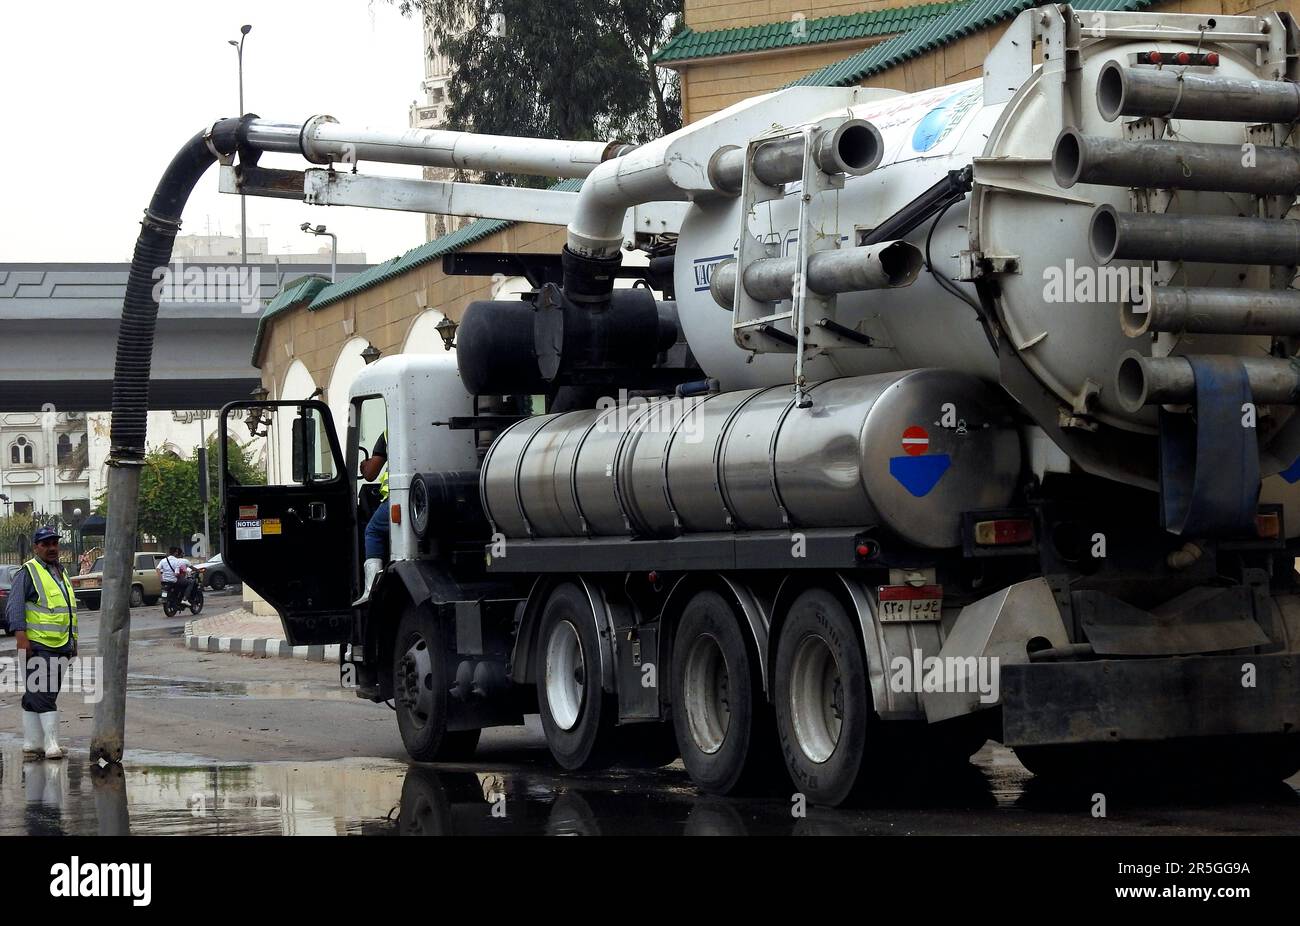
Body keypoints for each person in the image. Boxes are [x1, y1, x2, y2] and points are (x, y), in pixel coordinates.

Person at [5, 526, 77, 759]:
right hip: (38, 645)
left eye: (54, 543)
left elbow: (68, 611)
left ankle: (32, 742)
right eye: (45, 544)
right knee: (43, 694)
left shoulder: (60, 572)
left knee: (39, 694)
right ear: (36, 547)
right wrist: (21, 638)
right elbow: (14, 606)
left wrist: (73, 642)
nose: (51, 548)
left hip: (61, 645)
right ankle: (50, 743)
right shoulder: (28, 572)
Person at [355, 430, 388, 605]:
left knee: (373, 530)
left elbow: (370, 474)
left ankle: (370, 590)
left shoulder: (387, 434)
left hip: (400, 496)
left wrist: (364, 465)